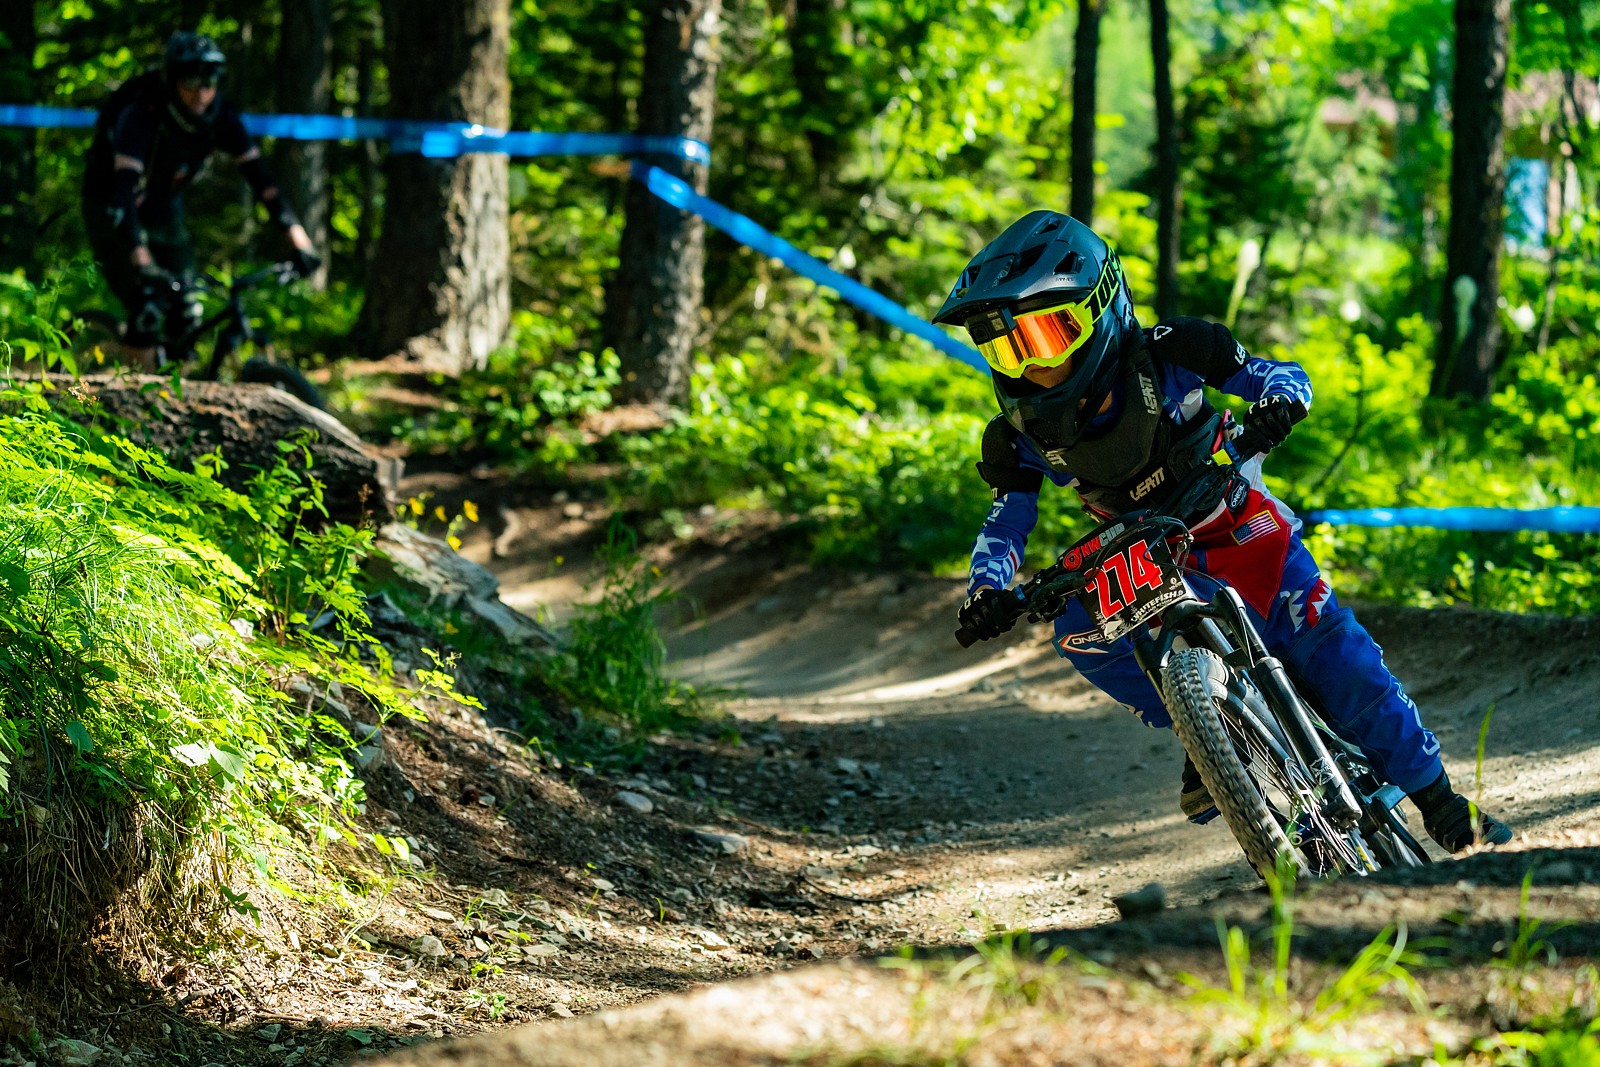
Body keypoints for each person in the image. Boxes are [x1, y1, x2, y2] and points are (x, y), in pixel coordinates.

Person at [936, 210, 1511, 855]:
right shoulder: (1015, 437)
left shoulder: (1174, 351)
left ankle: (1438, 799)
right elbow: (1007, 519)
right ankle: (1201, 729)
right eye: (1006, 348)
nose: (1030, 367)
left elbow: (1278, 374)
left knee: (1328, 645)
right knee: (1077, 634)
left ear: (1097, 309)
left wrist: (1278, 404)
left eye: (1041, 338)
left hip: (1229, 516)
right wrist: (987, 590)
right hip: (1134, 552)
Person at [81, 31, 320, 368]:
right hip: (112, 206)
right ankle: (120, 397)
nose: (201, 91)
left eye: (210, 80)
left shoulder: (222, 116)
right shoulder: (142, 113)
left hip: (163, 207)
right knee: (147, 306)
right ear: (172, 80)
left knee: (187, 310)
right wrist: (142, 259)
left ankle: (173, 392)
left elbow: (263, 182)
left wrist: (299, 241)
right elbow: (122, 190)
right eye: (191, 80)